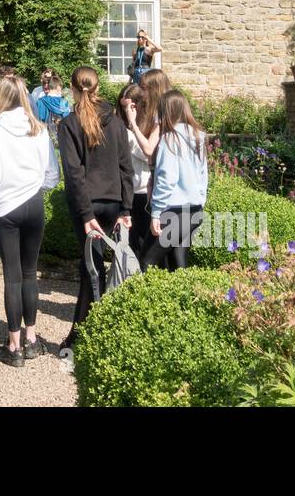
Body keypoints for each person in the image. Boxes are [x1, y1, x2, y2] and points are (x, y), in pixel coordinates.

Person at [0, 76, 58, 366]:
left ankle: (14, 345)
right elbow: (52, 174)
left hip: (7, 206)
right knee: (29, 272)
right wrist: (34, 188)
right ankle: (32, 339)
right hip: (34, 203)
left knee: (12, 275)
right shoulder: (38, 127)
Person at [57, 66, 134, 353]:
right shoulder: (115, 123)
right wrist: (126, 208)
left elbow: (74, 174)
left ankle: (82, 336)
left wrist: (87, 215)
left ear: (73, 88)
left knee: (91, 268)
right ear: (98, 87)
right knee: (95, 267)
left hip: (89, 205)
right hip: (112, 201)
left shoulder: (69, 124)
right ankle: (91, 331)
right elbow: (127, 169)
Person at [142, 90, 208, 271]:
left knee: (147, 260)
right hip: (195, 211)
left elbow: (166, 178)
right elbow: (203, 176)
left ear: (166, 112)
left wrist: (156, 213)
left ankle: (149, 299)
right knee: (178, 260)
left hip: (173, 213)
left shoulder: (169, 138)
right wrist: (201, 201)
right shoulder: (198, 137)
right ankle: (184, 298)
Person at [118, 69, 167, 258]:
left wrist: (131, 130)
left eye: (145, 89)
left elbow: (149, 152)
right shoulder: (148, 117)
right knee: (135, 242)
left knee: (148, 247)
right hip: (136, 188)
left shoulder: (158, 117)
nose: (143, 93)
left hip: (150, 188)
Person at [33, 73, 72, 147]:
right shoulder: (63, 102)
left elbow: (39, 119)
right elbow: (67, 119)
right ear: (58, 87)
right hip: (62, 137)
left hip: (46, 138)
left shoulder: (41, 101)